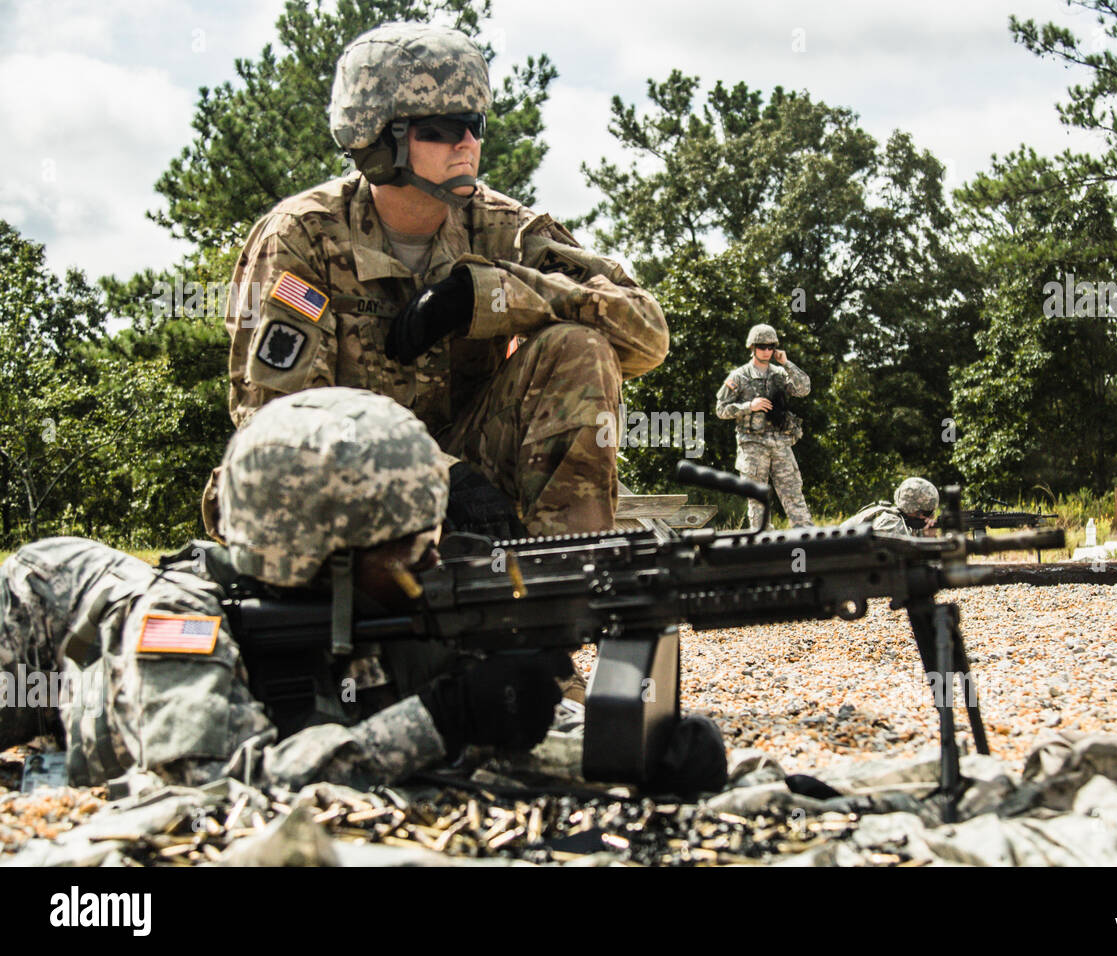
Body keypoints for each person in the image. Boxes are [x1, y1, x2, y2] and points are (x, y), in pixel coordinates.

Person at [210, 22, 668, 539]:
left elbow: (647, 334)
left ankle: (572, 577)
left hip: (478, 482)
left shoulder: (503, 229)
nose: (468, 144)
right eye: (443, 129)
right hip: (339, 490)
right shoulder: (304, 236)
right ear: (380, 140)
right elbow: (281, 423)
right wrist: (436, 473)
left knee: (577, 346)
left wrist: (492, 295)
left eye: (475, 125)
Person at [0, 389, 568, 790]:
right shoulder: (178, 621)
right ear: (323, 557)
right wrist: (442, 719)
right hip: (36, 625)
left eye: (431, 534)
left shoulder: (369, 608)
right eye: (406, 545)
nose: (432, 558)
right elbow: (211, 790)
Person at [715, 324, 812, 529]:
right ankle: (762, 544)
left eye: (770, 347)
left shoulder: (779, 373)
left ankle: (807, 540)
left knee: (794, 494)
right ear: (752, 347)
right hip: (752, 445)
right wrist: (749, 406)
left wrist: (786, 363)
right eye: (762, 347)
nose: (767, 351)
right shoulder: (739, 376)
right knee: (757, 500)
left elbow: (804, 389)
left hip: (780, 443)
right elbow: (721, 410)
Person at [842, 477, 939, 537]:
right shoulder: (891, 524)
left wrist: (927, 535)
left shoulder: (900, 520)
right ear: (914, 510)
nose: (930, 518)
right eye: (928, 513)